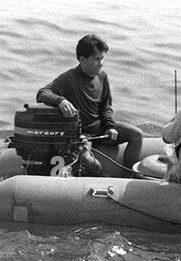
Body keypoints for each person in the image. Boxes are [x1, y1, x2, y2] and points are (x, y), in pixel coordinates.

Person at [37, 33, 144, 175]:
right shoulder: (68, 78)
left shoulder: (102, 77)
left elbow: (106, 107)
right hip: (80, 135)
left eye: (102, 58)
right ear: (82, 59)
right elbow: (42, 93)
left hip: (100, 130)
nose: (101, 63)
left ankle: (129, 177)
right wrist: (61, 101)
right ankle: (101, 181)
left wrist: (110, 126)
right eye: (97, 59)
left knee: (136, 135)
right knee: (92, 164)